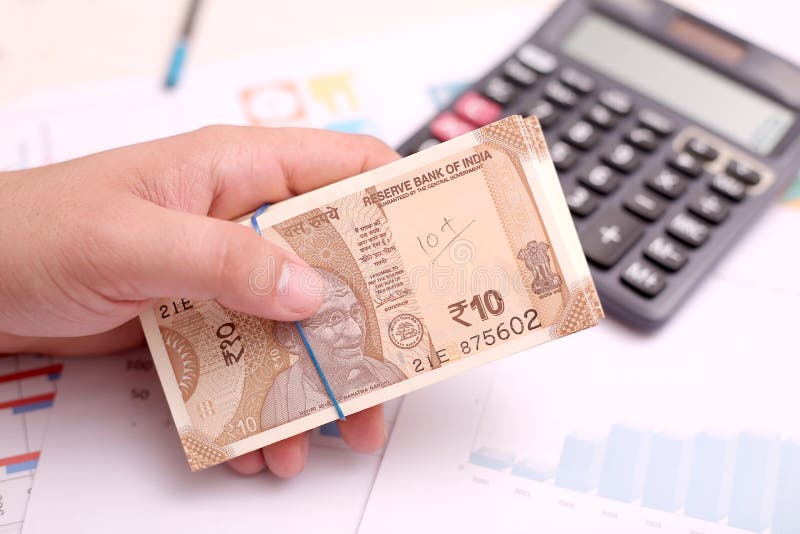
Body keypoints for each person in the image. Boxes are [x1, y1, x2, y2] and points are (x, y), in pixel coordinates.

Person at [0, 125, 398, 478]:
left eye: (351, 313)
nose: (351, 330)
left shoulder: (382, 373)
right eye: (329, 318)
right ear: (291, 340)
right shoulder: (279, 398)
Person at [263, 268, 405, 428]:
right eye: (334, 319)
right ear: (289, 339)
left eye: (356, 312)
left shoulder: (389, 374)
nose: (356, 333)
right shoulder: (279, 405)